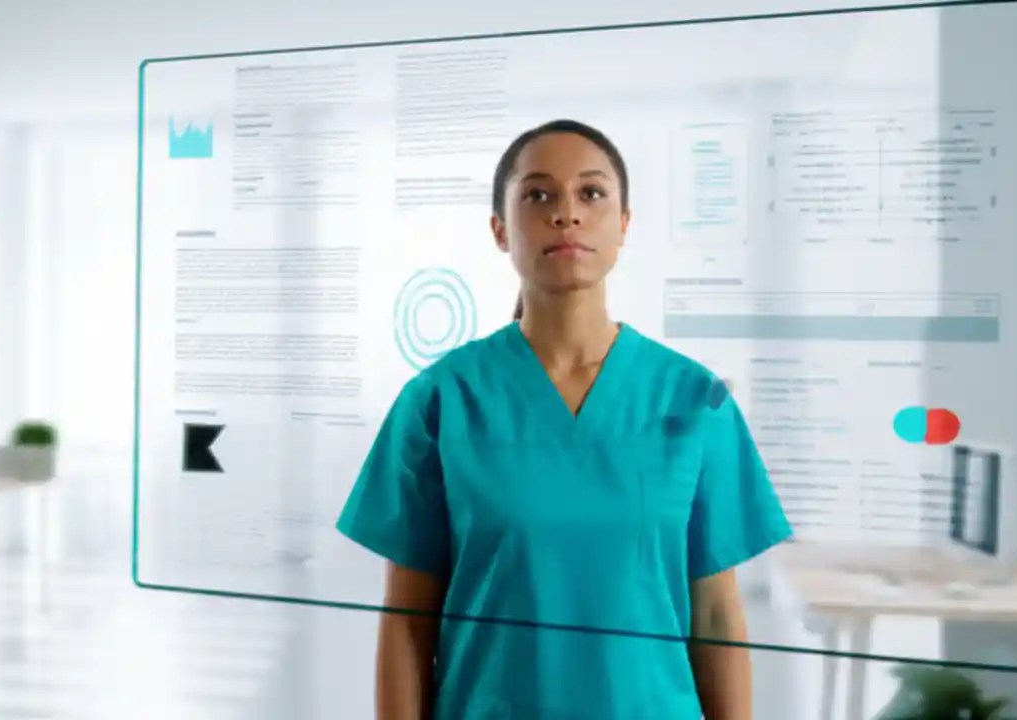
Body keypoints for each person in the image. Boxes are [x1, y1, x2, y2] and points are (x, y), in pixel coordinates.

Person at [337, 118, 792, 719]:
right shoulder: (440, 402)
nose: (566, 213)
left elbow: (716, 617)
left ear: (624, 224)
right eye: (538, 195)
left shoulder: (692, 401)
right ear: (501, 229)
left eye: (591, 193)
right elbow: (407, 620)